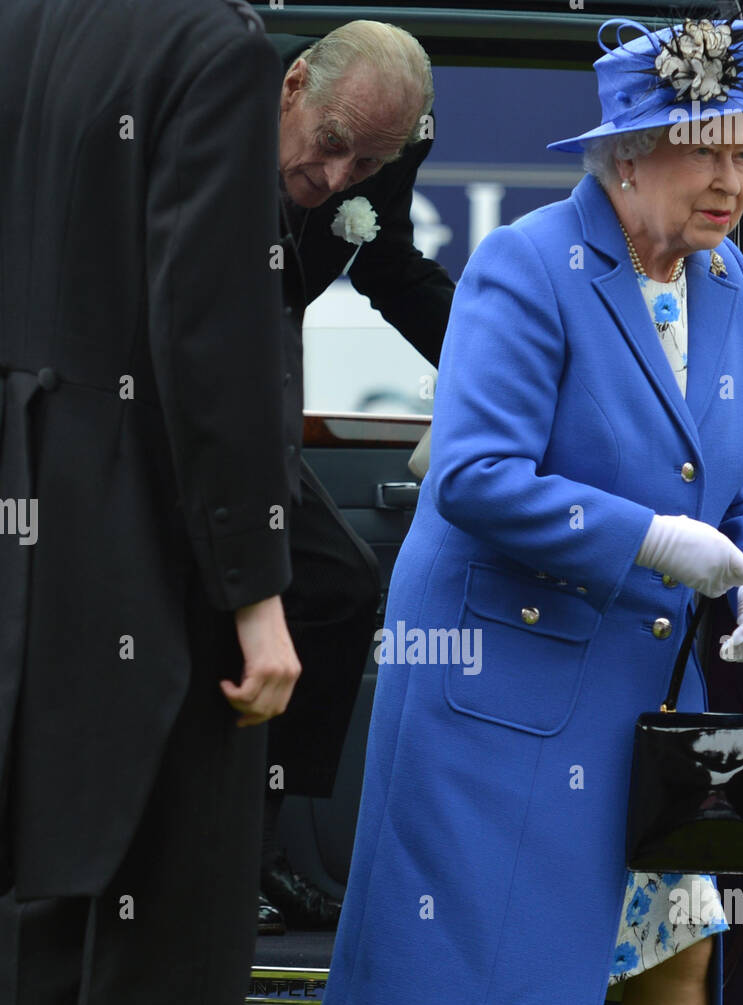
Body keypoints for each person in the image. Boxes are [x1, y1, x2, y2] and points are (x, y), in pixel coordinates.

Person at [320, 16, 743, 1005]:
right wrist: (657, 542)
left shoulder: (721, 285)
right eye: (702, 154)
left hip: (644, 684)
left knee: (673, 945)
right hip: (507, 671)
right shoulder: (524, 266)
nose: (728, 184)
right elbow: (477, 477)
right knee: (486, 946)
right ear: (624, 160)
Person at [0, 0, 301, 1005]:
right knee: (167, 959)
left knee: (52, 930)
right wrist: (257, 591)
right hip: (154, 571)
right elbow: (210, 329)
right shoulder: (216, 52)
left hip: (32, 556)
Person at [258, 20, 455, 931]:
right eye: (334, 146)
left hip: (255, 413)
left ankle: (258, 850)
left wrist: (509, 371)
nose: (341, 181)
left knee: (335, 586)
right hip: (159, 405)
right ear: (294, 84)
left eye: (367, 168)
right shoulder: (206, 113)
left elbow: (388, 269)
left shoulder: (383, 153)